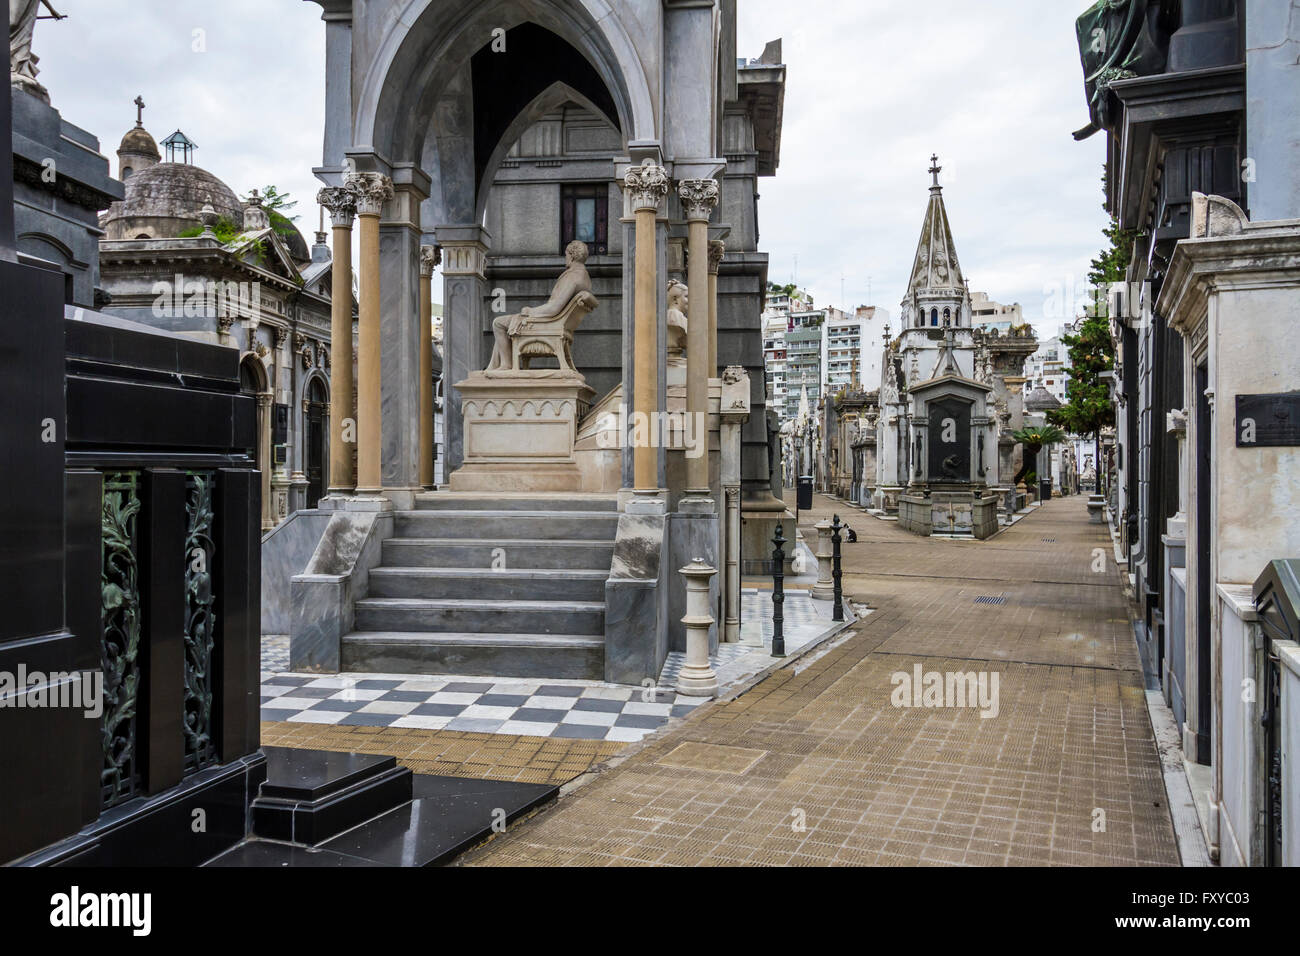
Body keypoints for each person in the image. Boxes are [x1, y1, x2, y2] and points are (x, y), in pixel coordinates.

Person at [486, 240, 591, 372]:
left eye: (566, 255)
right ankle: (494, 366)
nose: (566, 258)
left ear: (572, 255)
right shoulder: (584, 277)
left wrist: (530, 311)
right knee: (506, 324)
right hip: (557, 322)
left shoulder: (573, 276)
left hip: (549, 322)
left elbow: (554, 308)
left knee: (498, 323)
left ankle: (505, 364)